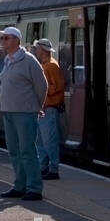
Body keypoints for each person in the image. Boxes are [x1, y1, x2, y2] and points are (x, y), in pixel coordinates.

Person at [0, 26, 48, 201]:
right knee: (13, 150)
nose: (3, 41)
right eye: (2, 38)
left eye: (7, 38)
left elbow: (42, 85)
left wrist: (37, 106)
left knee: (27, 150)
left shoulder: (29, 60)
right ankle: (20, 185)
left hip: (25, 112)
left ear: (17, 41)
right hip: (8, 111)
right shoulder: (7, 59)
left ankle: (34, 188)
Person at [33, 38, 65, 179]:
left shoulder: (52, 66)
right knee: (40, 141)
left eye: (37, 48)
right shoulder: (45, 65)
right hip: (43, 108)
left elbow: (57, 86)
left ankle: (54, 169)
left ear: (43, 50)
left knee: (49, 140)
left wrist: (41, 89)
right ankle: (43, 167)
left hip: (50, 108)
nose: (35, 51)